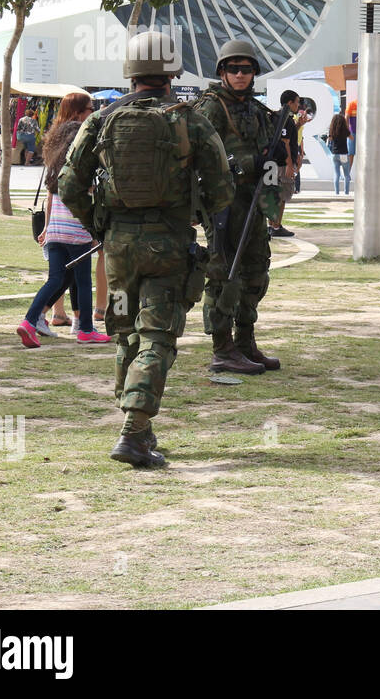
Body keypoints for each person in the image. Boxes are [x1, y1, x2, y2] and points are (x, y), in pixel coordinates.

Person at [59, 31, 233, 467]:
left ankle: (137, 425)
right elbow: (222, 189)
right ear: (172, 72)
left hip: (118, 251)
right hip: (168, 247)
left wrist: (100, 225)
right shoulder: (189, 120)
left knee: (125, 331)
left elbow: (68, 184)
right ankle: (134, 432)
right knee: (157, 335)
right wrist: (195, 213)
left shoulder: (100, 120)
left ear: (130, 73)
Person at [193, 39, 285, 376]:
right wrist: (249, 163)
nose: (240, 74)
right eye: (234, 69)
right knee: (223, 275)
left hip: (253, 202)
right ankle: (222, 347)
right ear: (222, 72)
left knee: (256, 272)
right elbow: (203, 157)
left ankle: (245, 341)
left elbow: (266, 153)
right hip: (222, 204)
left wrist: (275, 155)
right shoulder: (210, 108)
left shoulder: (256, 110)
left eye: (246, 69)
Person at [16, 119, 111, 347]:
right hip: (77, 230)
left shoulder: (54, 166)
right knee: (83, 282)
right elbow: (91, 196)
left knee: (55, 279)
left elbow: (50, 200)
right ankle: (86, 330)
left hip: (56, 231)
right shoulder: (83, 167)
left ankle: (29, 320)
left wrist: (48, 228)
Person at [269, 90, 302, 238]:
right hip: (282, 164)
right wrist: (289, 164)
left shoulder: (275, 117)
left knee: (272, 195)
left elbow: (284, 136)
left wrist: (298, 125)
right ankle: (276, 226)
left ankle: (272, 225)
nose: (298, 105)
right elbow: (285, 142)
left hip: (272, 162)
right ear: (290, 103)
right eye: (297, 102)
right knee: (282, 196)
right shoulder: (286, 119)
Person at [327, 110, 352, 195]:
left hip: (335, 154)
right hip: (344, 154)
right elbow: (352, 138)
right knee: (346, 175)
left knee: (336, 174)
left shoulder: (332, 131)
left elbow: (330, 139)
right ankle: (346, 193)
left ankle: (337, 193)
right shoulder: (345, 130)